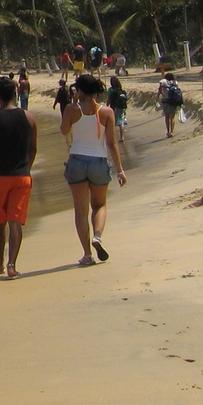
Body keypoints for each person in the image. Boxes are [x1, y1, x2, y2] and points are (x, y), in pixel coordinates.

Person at [60, 73, 127, 265]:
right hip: (98, 161)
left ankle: (87, 254)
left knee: (80, 211)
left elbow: (64, 130)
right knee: (99, 205)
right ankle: (97, 235)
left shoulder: (73, 109)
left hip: (77, 160)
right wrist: (120, 170)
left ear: (79, 90)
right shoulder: (106, 112)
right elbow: (112, 143)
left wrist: (72, 105)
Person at [0, 76, 38, 279]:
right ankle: (12, 265)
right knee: (15, 222)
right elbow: (33, 148)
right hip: (22, 176)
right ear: (15, 94)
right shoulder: (29, 118)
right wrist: (26, 168)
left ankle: (0, 262)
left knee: (0, 221)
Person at [157, 73, 181, 138]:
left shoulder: (163, 81)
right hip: (173, 100)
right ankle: (172, 132)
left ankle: (168, 132)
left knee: (167, 117)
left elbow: (160, 90)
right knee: (172, 117)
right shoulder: (175, 82)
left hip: (165, 100)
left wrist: (157, 97)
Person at [107, 75, 129, 142]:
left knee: (112, 122)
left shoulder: (111, 90)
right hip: (122, 106)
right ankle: (122, 137)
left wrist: (107, 105)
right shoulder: (121, 90)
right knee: (121, 121)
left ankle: (112, 137)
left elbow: (109, 99)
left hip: (114, 107)